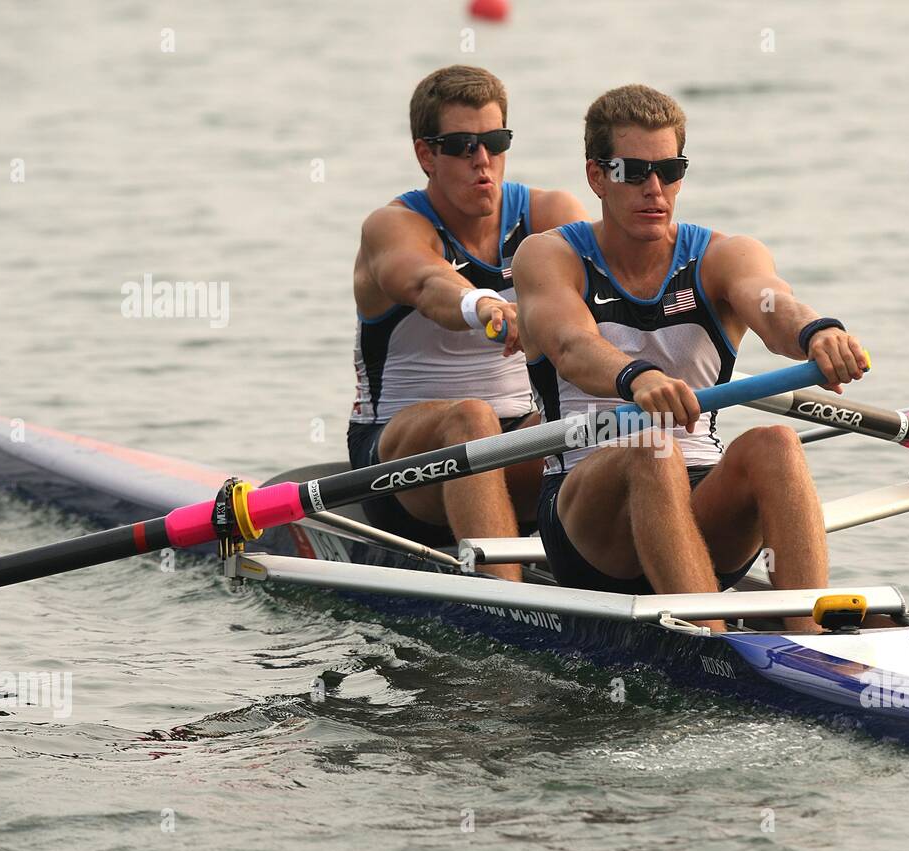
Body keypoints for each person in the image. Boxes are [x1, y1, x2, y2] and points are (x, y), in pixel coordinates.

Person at [514, 84, 868, 630]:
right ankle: (712, 642)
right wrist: (635, 376)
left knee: (774, 442)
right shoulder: (549, 255)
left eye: (670, 170)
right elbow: (569, 346)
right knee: (651, 447)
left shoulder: (724, 255)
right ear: (596, 176)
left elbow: (774, 307)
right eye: (633, 171)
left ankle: (809, 637)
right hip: (589, 519)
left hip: (704, 503)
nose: (655, 189)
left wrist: (817, 333)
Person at [347, 66, 588, 581]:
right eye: (461, 145)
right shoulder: (393, 227)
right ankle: (512, 605)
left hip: (519, 444)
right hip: (397, 465)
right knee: (471, 418)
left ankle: (670, 597)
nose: (483, 160)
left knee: (606, 424)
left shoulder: (550, 215)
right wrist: (485, 308)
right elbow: (427, 286)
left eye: (495, 141)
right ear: (425, 155)